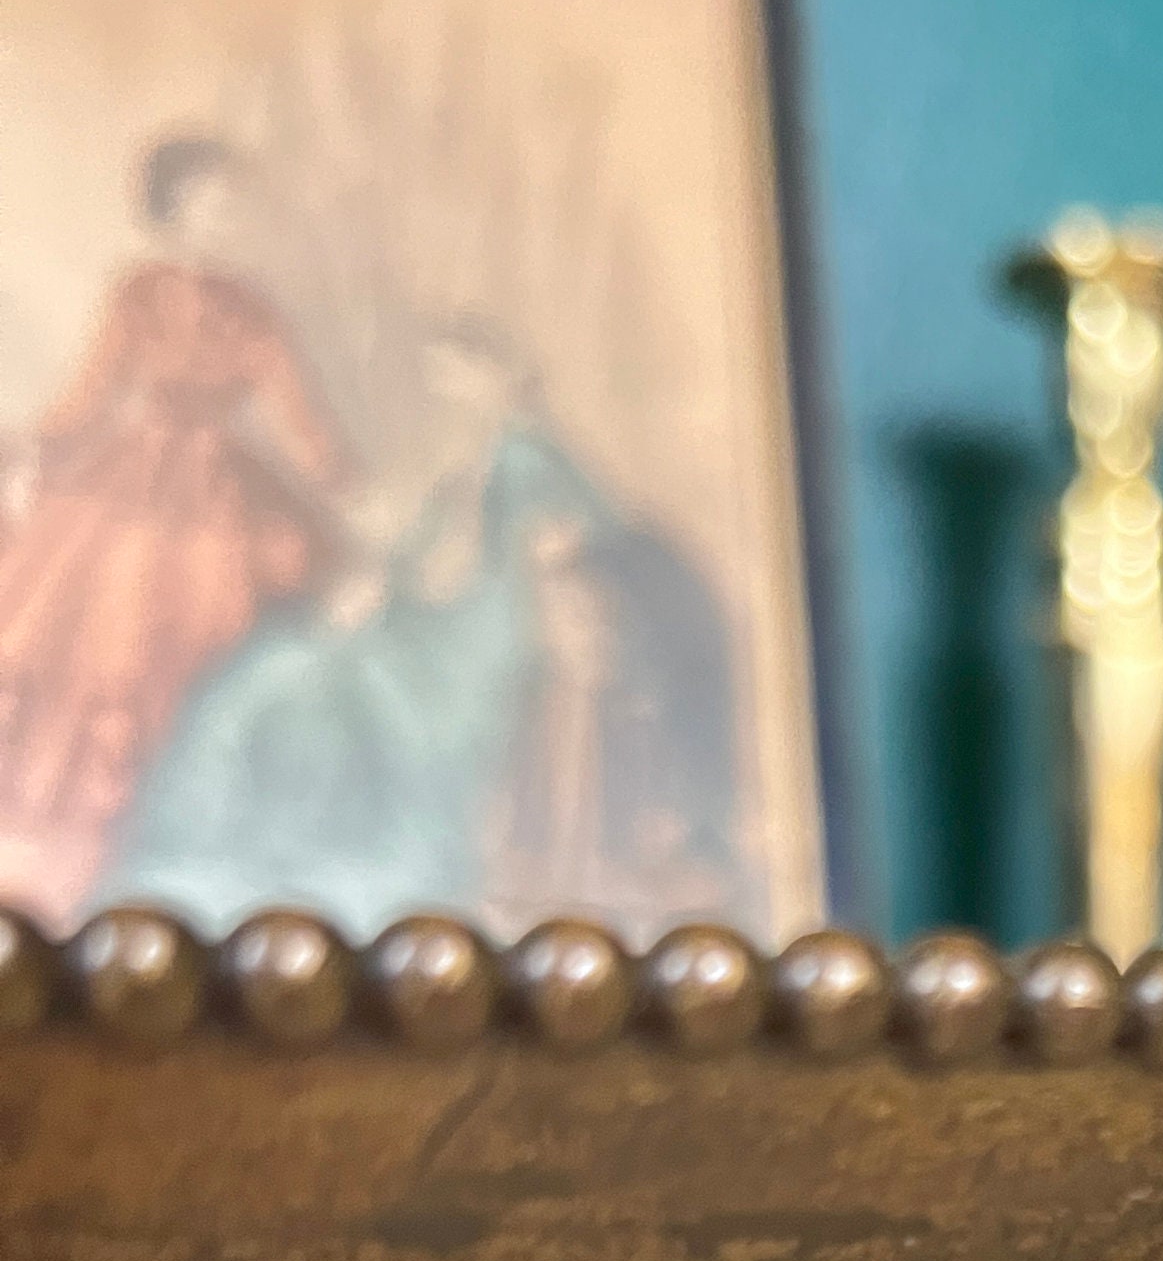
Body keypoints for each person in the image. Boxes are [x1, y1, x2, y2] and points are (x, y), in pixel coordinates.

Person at [116, 316, 742, 938]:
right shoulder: (466, 474)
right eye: (443, 379)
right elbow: (415, 561)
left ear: (493, 378)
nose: (449, 392)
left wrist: (556, 570)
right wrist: (374, 589)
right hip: (430, 628)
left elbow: (596, 541)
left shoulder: (528, 457)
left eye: (458, 375)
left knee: (344, 686)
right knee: (284, 664)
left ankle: (323, 851)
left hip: (481, 650)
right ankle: (226, 844)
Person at [0, 136, 346, 922]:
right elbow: (90, 393)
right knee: (102, 595)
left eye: (234, 204)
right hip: (133, 469)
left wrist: (337, 475)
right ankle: (78, 821)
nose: (228, 218)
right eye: (213, 204)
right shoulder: (138, 293)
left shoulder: (252, 309)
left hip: (220, 483)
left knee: (217, 597)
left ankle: (181, 816)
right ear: (175, 210)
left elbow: (295, 410)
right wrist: (35, 451)